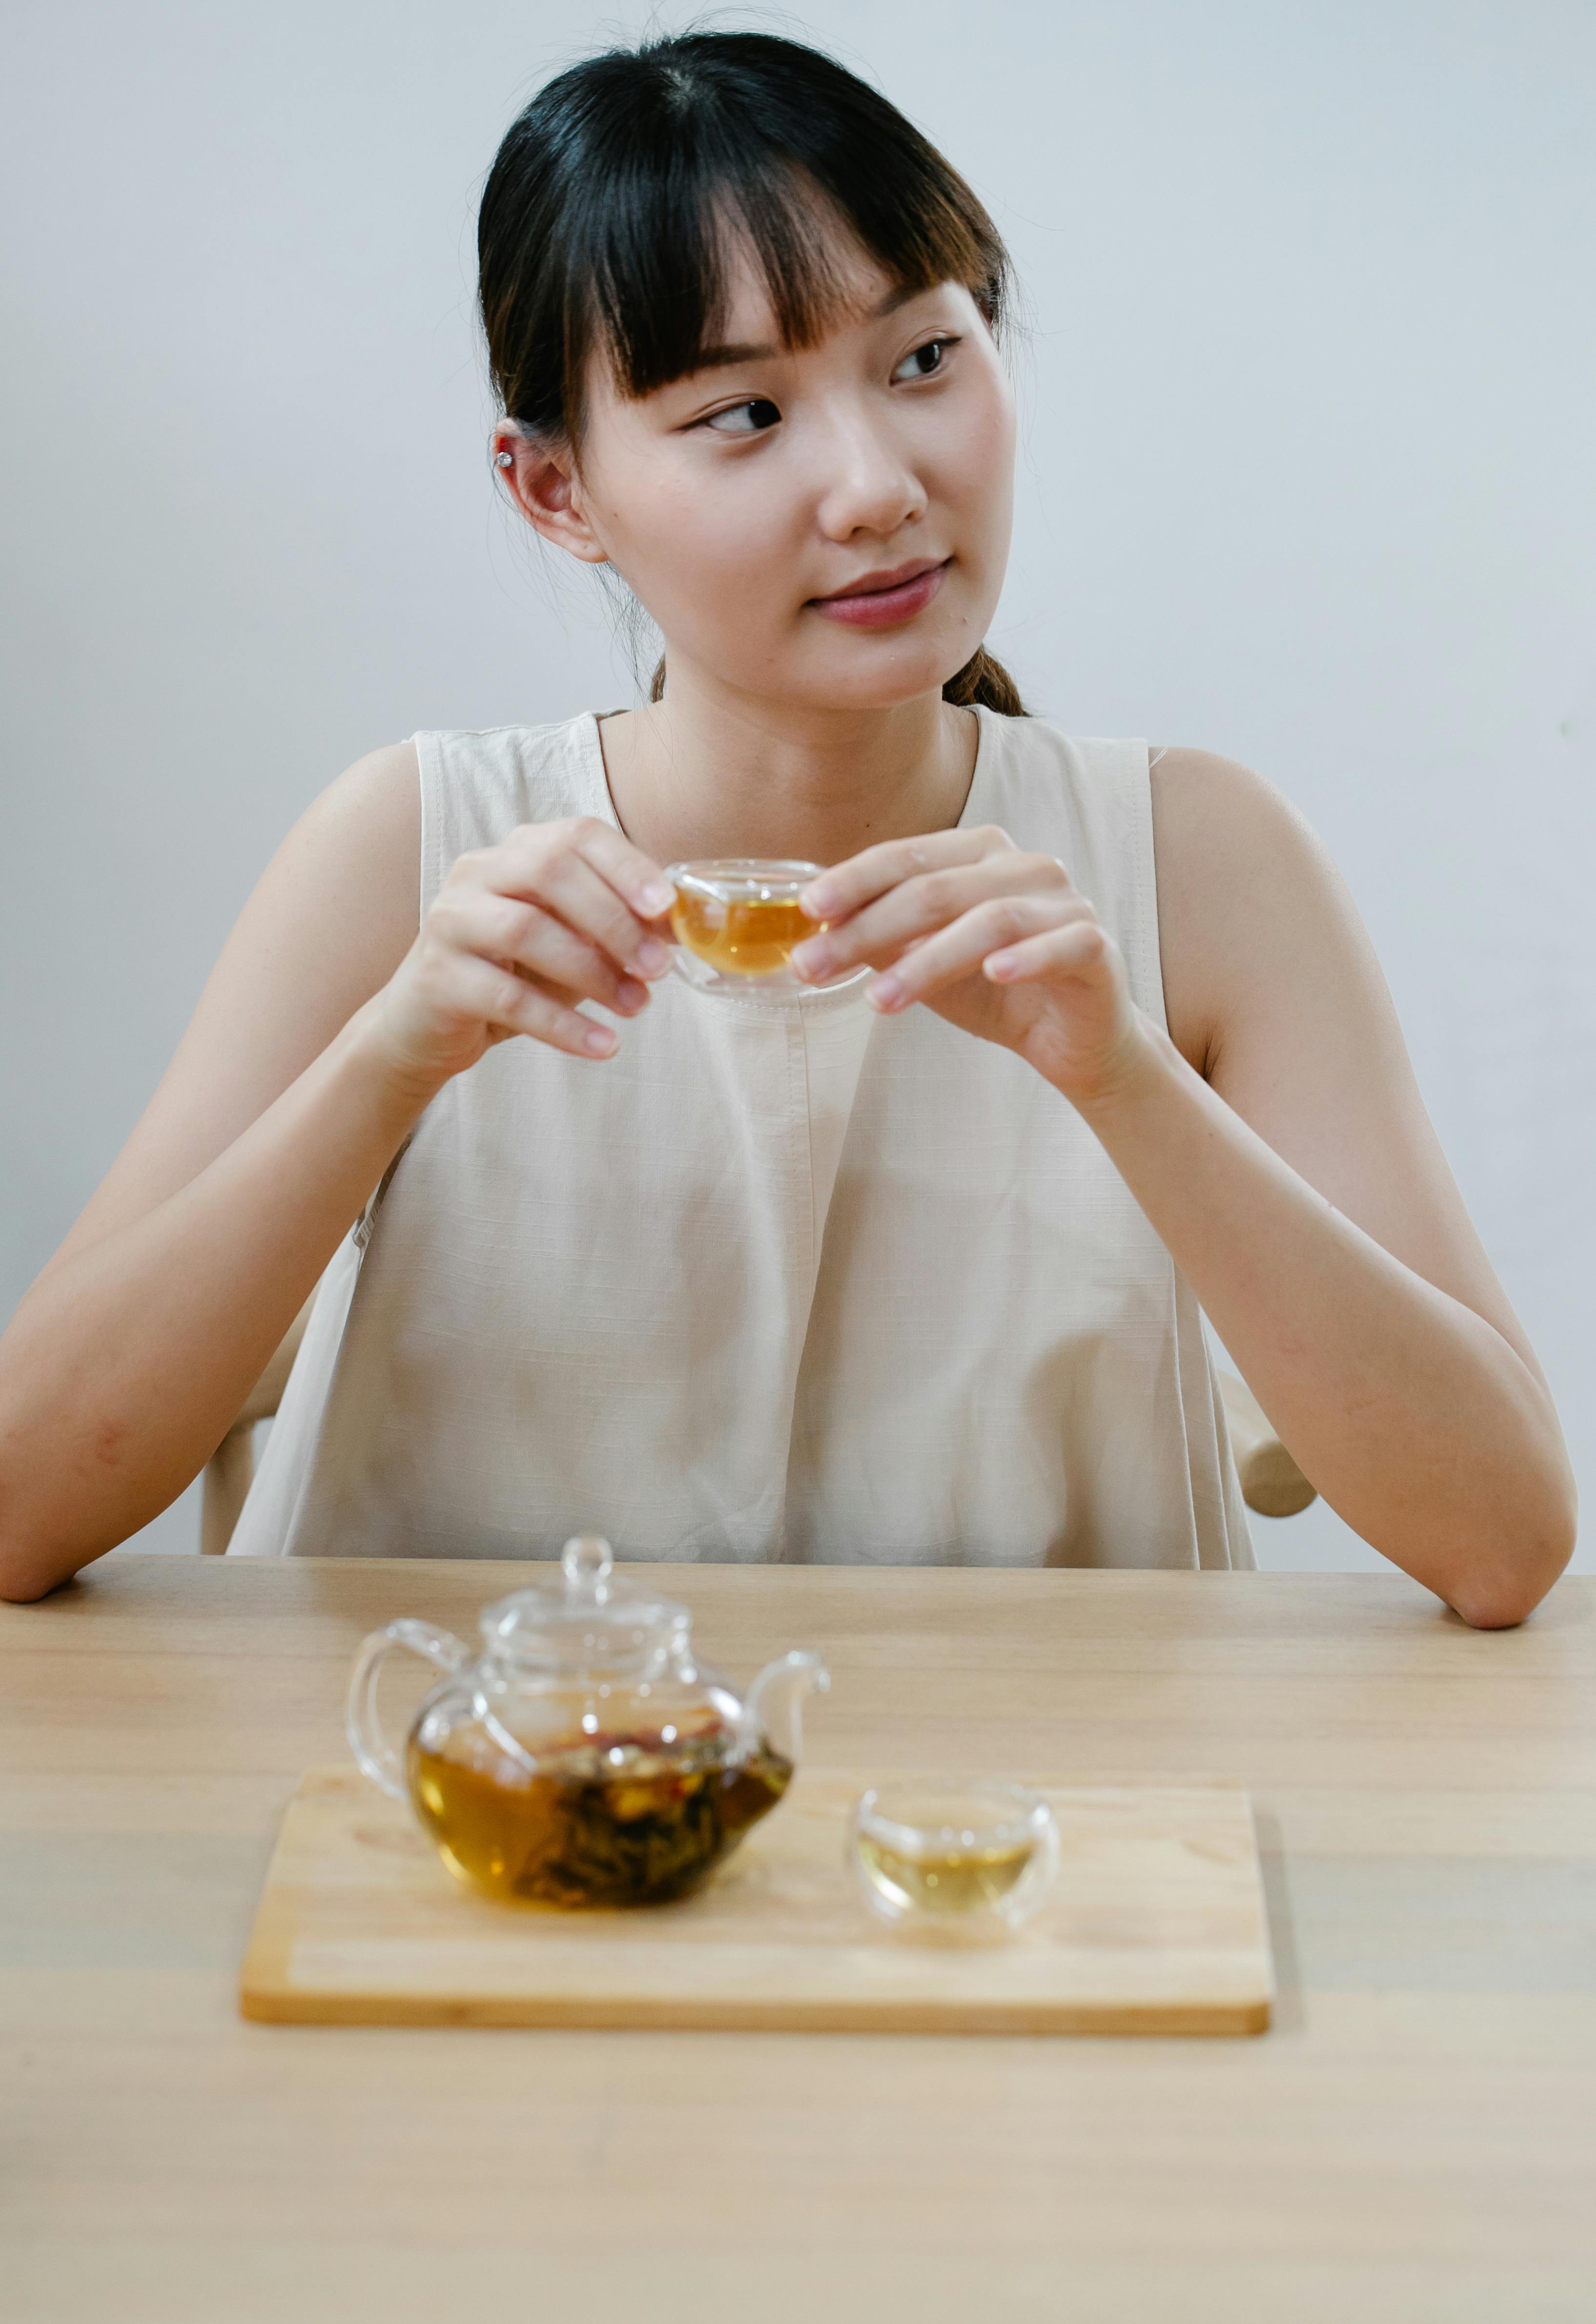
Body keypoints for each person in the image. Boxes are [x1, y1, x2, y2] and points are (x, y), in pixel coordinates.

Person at [0, 32, 1574, 1620]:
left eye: (921, 360)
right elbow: (19, 1510)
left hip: (1030, 1844)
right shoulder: (411, 853)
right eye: (745, 414)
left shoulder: (1200, 861)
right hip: (461, 1841)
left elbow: (1503, 1541)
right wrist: (387, 1060)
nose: (877, 484)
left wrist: (1124, 1075)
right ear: (559, 495)